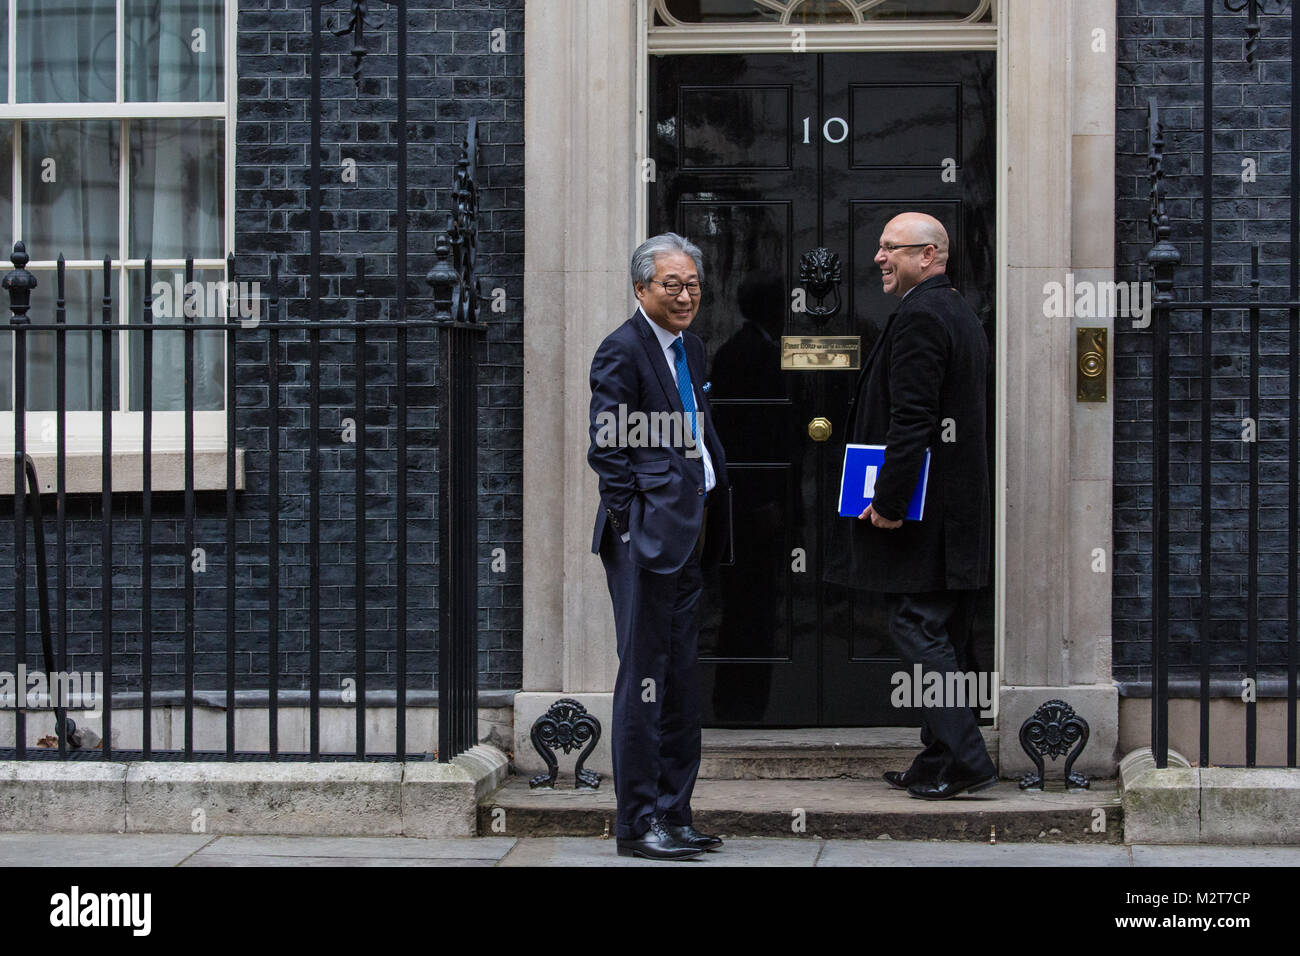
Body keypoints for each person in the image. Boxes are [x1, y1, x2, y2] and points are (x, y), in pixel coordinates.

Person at [826, 212, 997, 800]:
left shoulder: (923, 316)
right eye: (880, 247)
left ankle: (968, 759)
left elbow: (913, 419)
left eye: (890, 249)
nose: (879, 257)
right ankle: (938, 760)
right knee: (941, 628)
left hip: (926, 509)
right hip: (955, 508)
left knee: (916, 626)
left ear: (927, 255)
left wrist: (889, 500)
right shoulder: (955, 311)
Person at [587, 233, 733, 859]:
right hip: (645, 543)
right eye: (671, 284)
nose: (684, 294)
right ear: (641, 288)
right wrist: (629, 525)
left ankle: (674, 815)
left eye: (693, 284)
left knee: (679, 681)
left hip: (688, 537)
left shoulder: (692, 349)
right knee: (643, 680)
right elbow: (607, 450)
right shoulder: (620, 351)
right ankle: (636, 824)